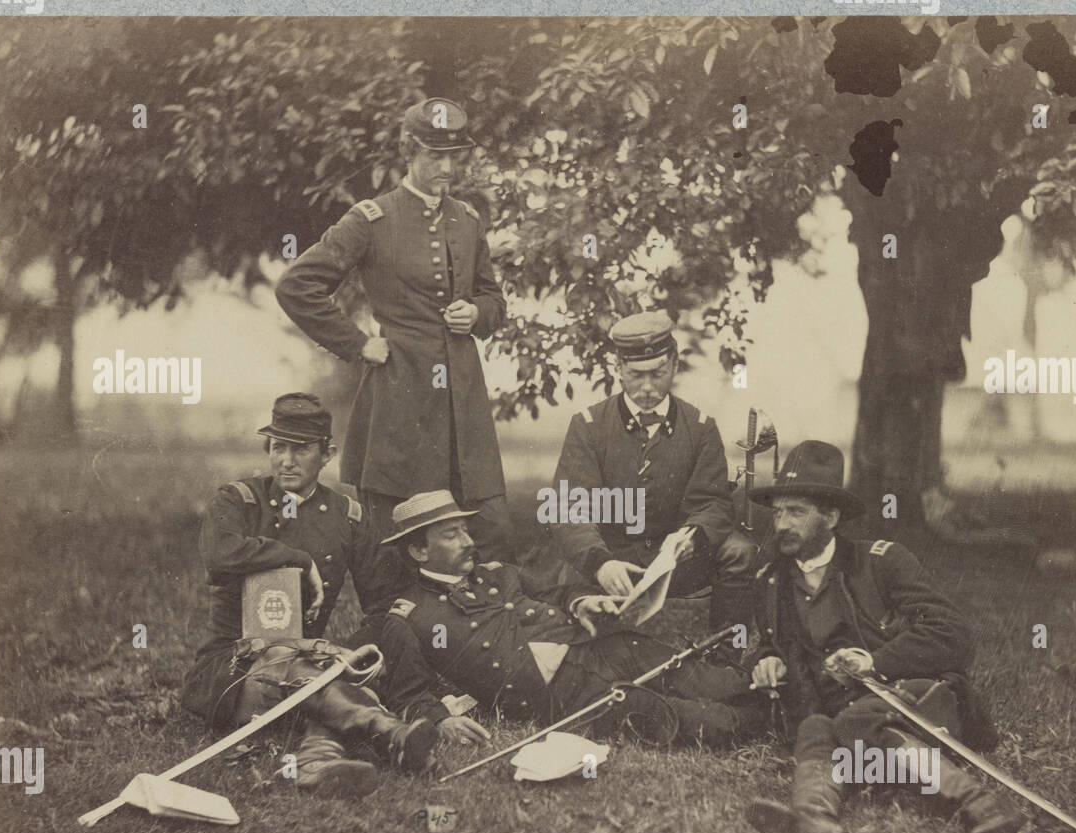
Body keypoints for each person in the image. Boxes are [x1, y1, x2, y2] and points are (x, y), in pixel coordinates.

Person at [178, 395, 483, 797]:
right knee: (295, 664)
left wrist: (348, 655)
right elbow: (218, 557)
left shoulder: (347, 516)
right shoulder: (238, 501)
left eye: (301, 449)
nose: (286, 460)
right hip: (231, 672)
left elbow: (382, 604)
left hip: (309, 667)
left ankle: (316, 763)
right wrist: (298, 559)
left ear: (327, 454)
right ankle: (390, 732)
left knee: (349, 668)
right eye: (278, 447)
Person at [741, 440, 1024, 833]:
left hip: (920, 704)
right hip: (847, 724)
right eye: (779, 511)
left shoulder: (881, 561)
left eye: (797, 511)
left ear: (831, 517)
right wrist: (765, 659)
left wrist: (872, 660)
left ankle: (983, 807)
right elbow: (766, 643)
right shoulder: (772, 581)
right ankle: (814, 820)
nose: (781, 524)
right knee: (815, 726)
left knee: (857, 720)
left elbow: (952, 634)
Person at [274, 97, 510, 576]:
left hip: (462, 400)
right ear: (407, 151)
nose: (446, 168)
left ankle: (472, 629)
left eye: (454, 157)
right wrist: (358, 343)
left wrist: (478, 312)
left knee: (488, 528)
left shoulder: (467, 220)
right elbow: (297, 285)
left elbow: (494, 300)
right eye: (433, 156)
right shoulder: (371, 219)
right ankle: (397, 633)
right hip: (401, 398)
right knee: (394, 538)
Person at [350, 490, 772, 749]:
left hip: (609, 646)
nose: (468, 541)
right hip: (569, 692)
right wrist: (441, 721)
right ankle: (784, 719)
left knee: (719, 682)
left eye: (465, 529)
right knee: (704, 723)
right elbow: (408, 693)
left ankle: (787, 693)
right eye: (452, 534)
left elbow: (559, 591)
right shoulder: (408, 617)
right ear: (419, 552)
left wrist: (583, 603)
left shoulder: (500, 572)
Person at [549, 311, 758, 637]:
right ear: (618, 369)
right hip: (612, 561)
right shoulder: (588, 426)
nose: (647, 387)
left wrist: (692, 536)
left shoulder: (701, 428)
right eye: (635, 375)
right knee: (574, 574)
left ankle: (724, 652)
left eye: (658, 373)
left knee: (739, 551)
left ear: (675, 364)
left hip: (675, 563)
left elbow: (714, 503)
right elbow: (568, 510)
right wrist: (600, 563)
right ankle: (587, 653)